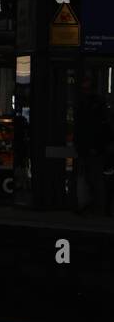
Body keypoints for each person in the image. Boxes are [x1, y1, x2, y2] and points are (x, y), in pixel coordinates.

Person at [74, 74, 111, 216]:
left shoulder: (87, 104)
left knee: (92, 178)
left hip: (90, 148)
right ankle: (97, 206)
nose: (85, 91)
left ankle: (93, 206)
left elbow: (88, 128)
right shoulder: (97, 105)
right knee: (93, 178)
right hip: (92, 148)